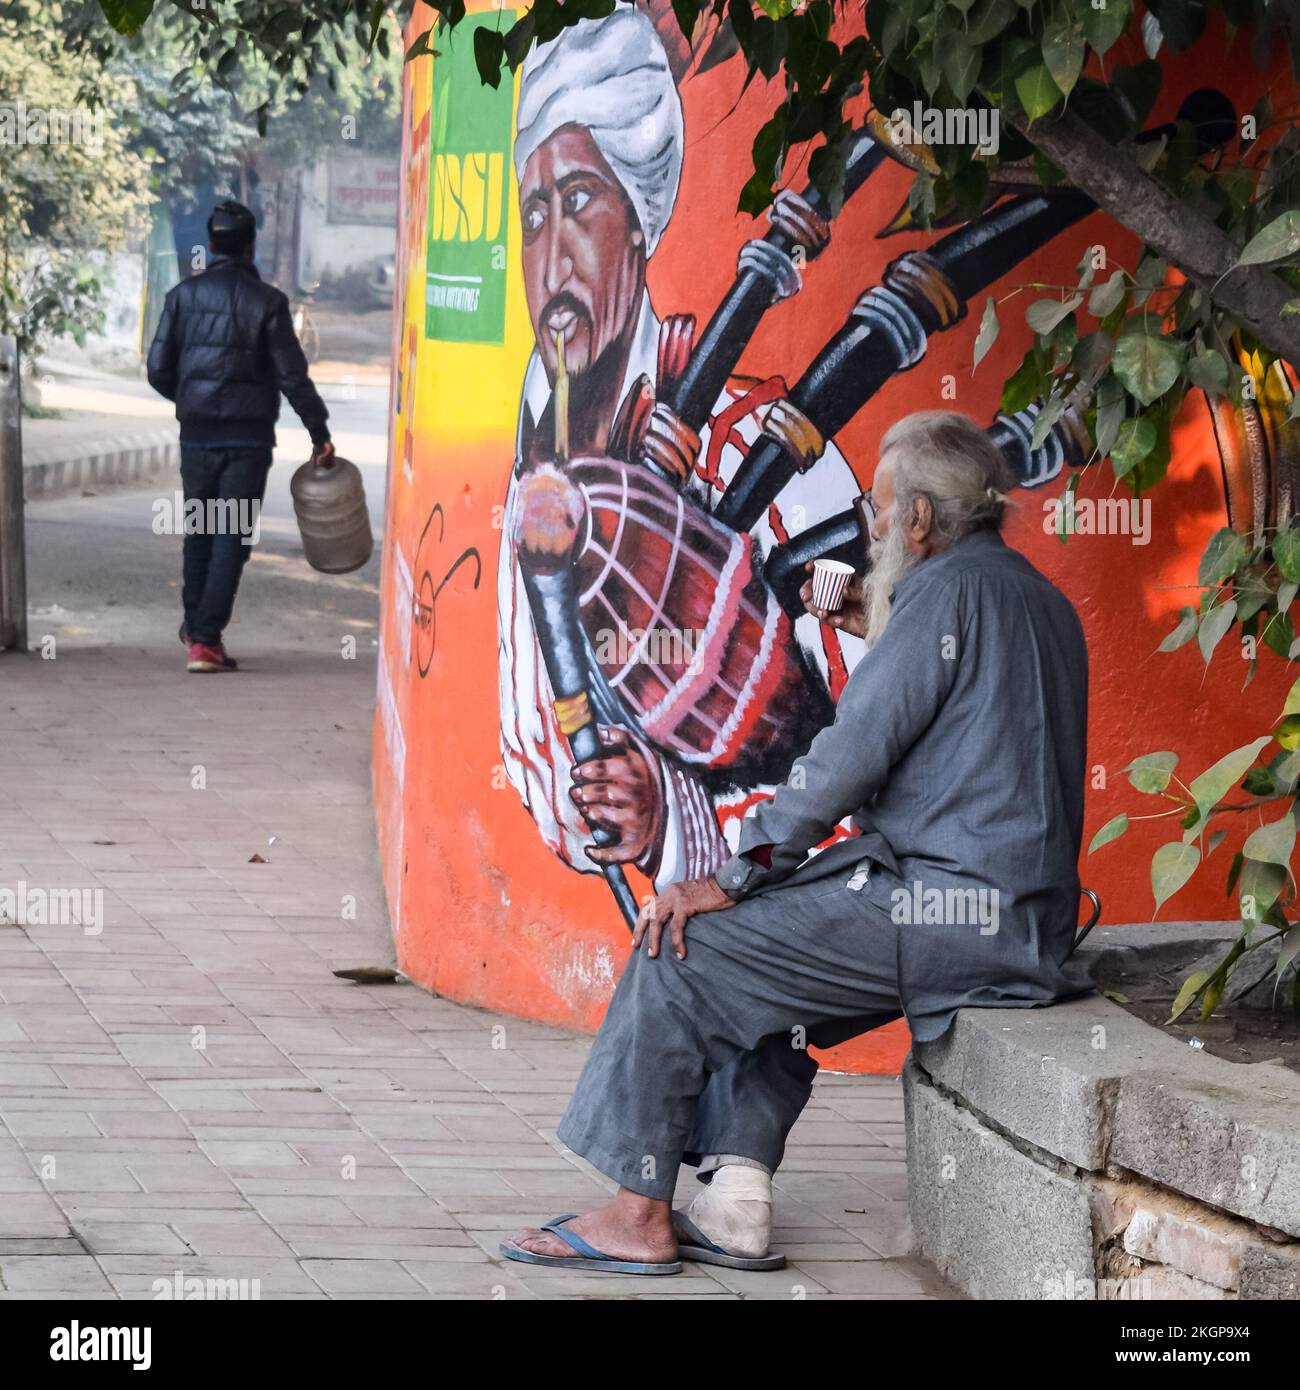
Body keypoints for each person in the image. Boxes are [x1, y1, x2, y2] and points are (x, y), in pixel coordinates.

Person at [501, 411, 1097, 1276]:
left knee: (689, 946)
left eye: (884, 514)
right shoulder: (1040, 600)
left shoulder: (943, 592)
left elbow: (847, 758)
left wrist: (736, 873)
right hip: (1021, 921)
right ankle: (736, 1200)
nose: (876, 529)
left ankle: (635, 1212)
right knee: (765, 956)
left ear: (924, 520)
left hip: (941, 908)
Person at [497, 6, 865, 893]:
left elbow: (874, 770)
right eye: (533, 213)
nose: (550, 256)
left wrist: (677, 822)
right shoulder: (535, 476)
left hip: (776, 933)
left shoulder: (761, 456)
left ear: (639, 218)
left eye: (578, 201)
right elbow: (528, 745)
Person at [147, 200, 335, 673]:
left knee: (201, 528)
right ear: (250, 245)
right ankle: (205, 640)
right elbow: (293, 377)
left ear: (211, 245)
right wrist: (319, 432)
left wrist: (190, 401)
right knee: (231, 532)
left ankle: (198, 630)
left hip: (196, 437)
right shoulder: (268, 304)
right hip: (249, 441)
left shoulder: (181, 297)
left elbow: (157, 369)